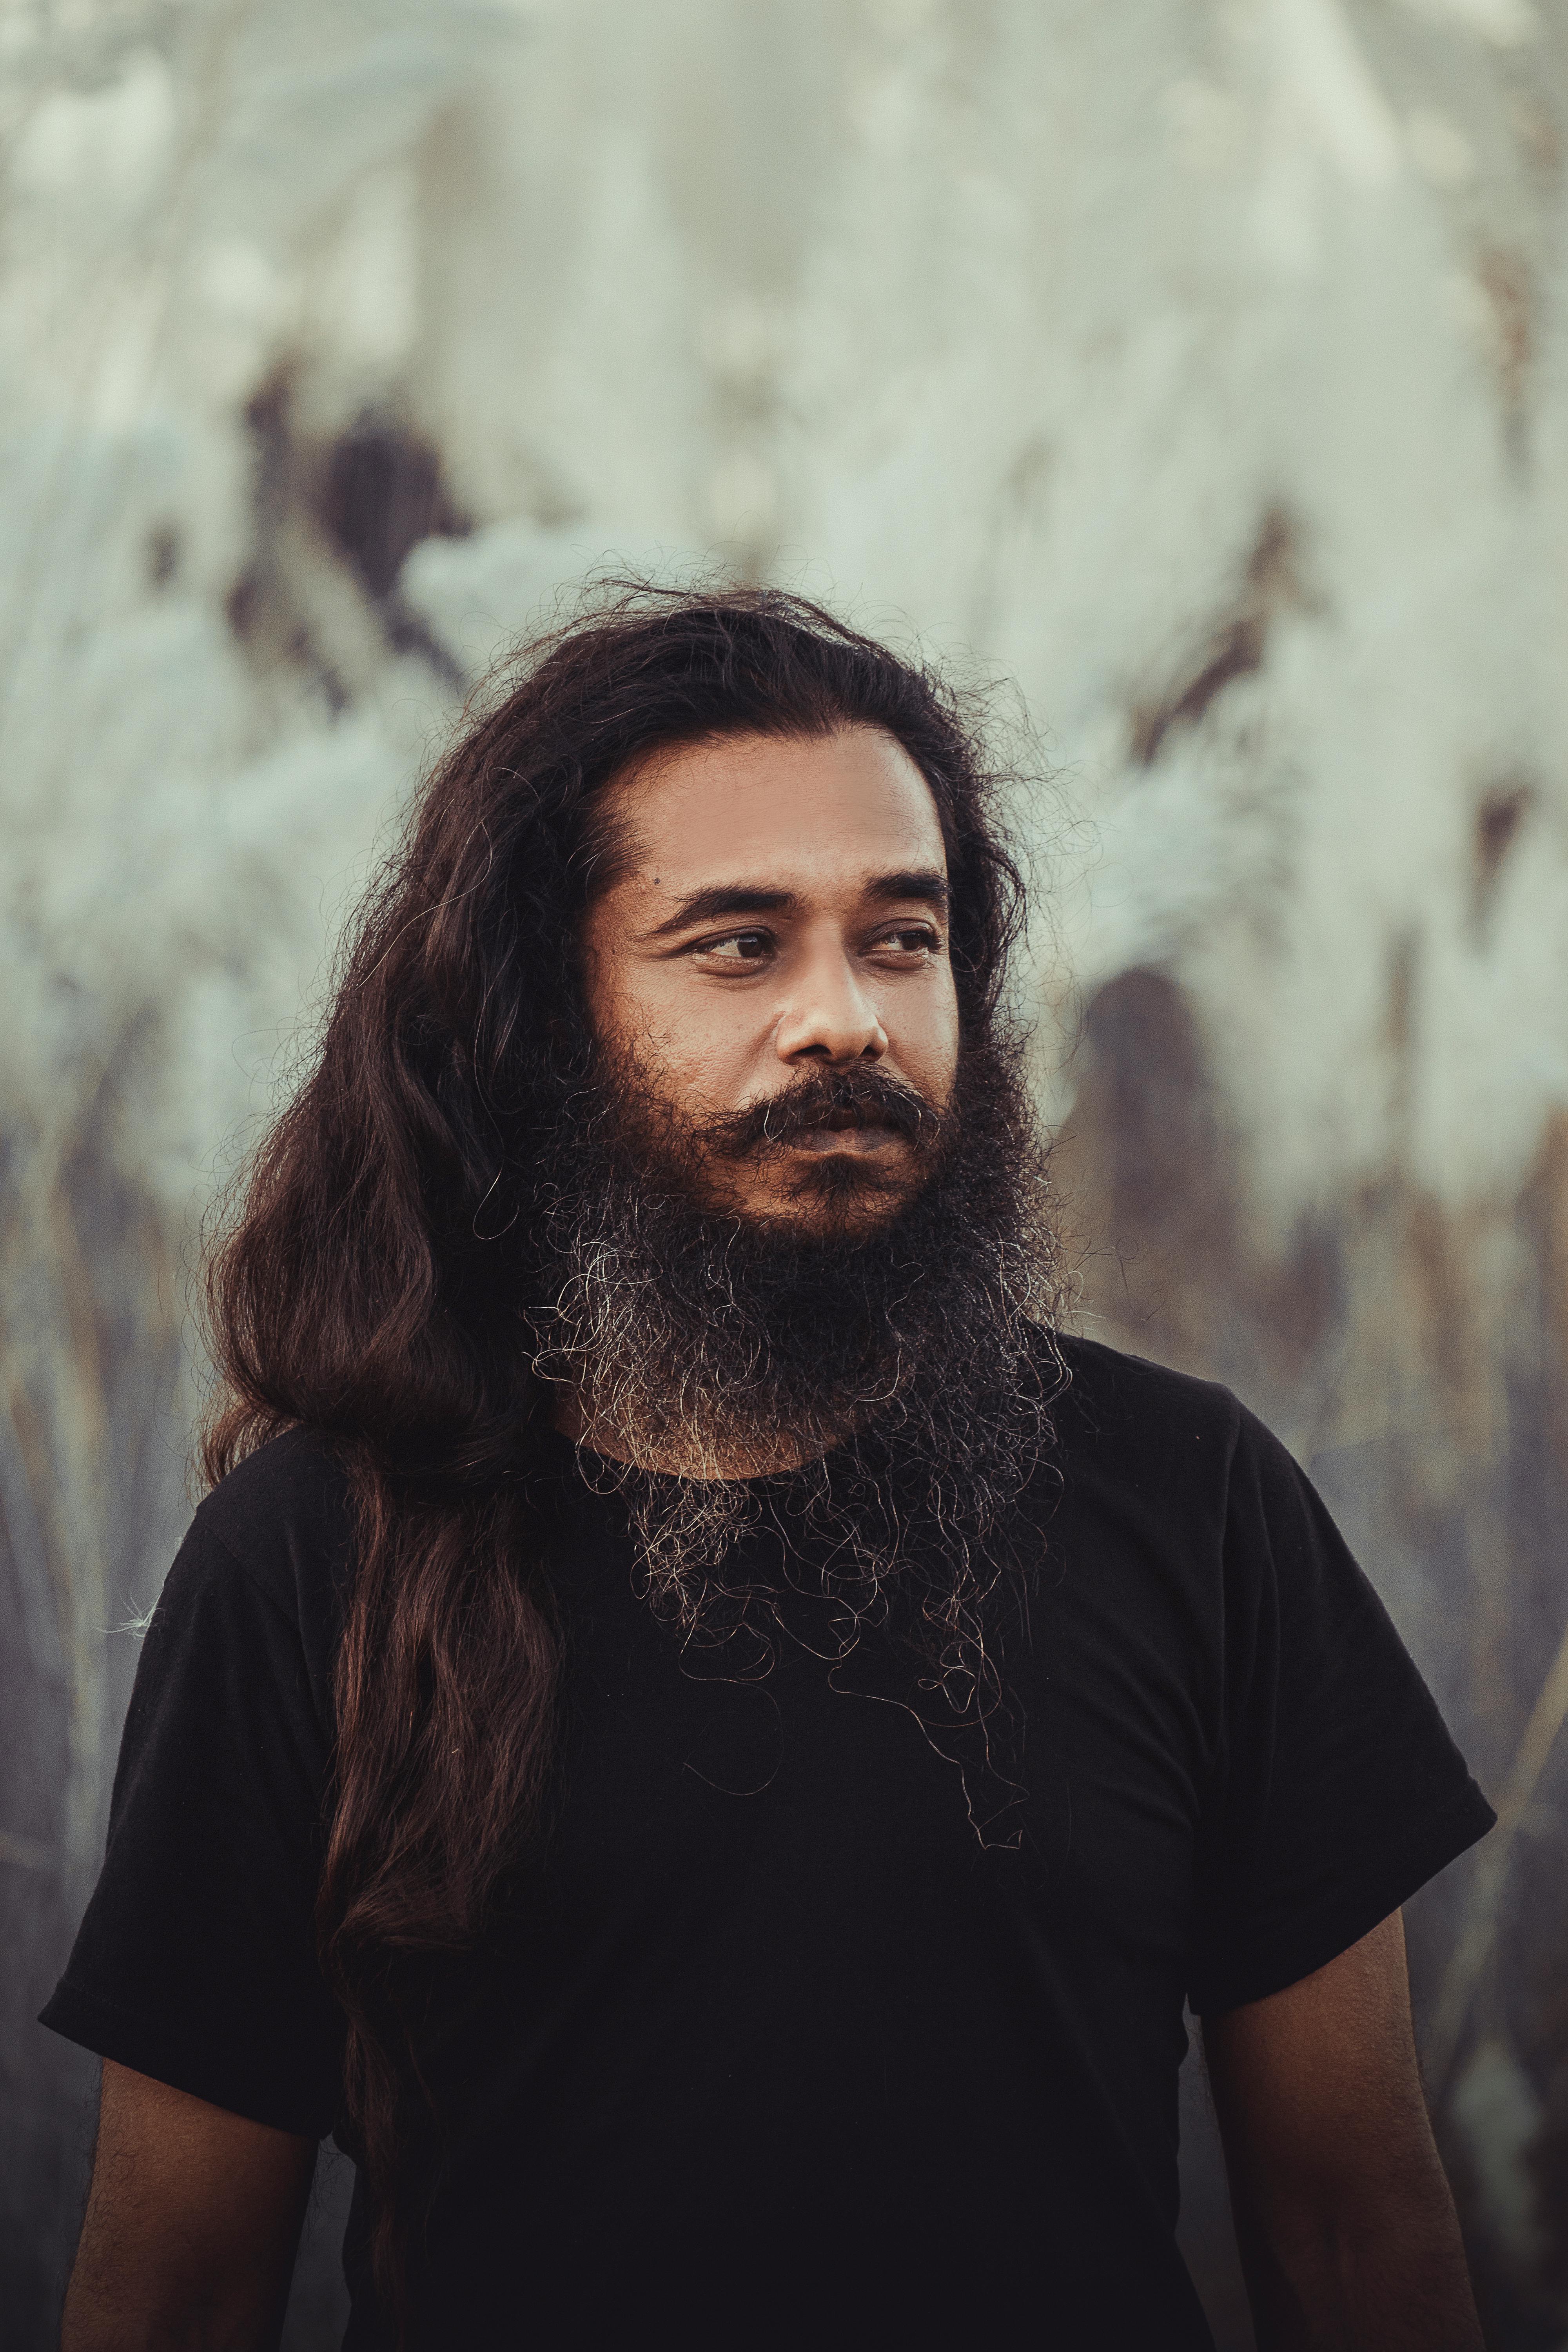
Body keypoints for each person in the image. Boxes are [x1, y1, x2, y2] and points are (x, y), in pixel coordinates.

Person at [45, 586, 1493, 2350]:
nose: (844, 1021)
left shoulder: (1190, 1500)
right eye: (738, 945)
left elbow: (1354, 2235)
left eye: (900, 938)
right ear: (542, 1007)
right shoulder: (319, 1553)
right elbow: (177, 2289)